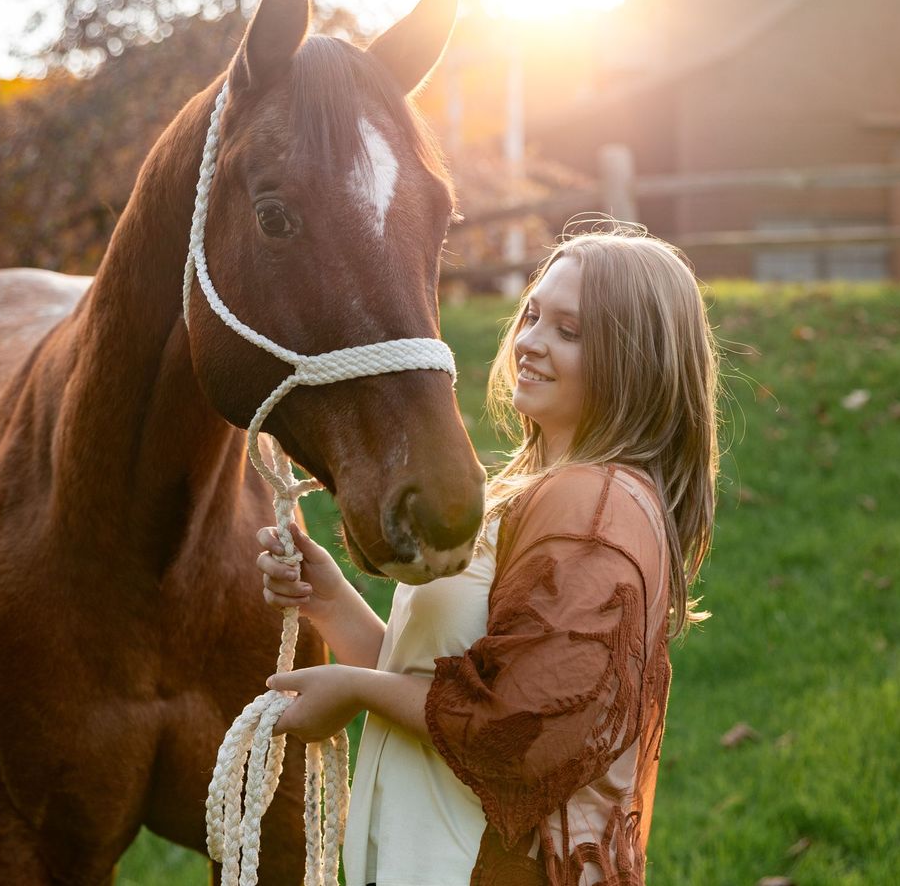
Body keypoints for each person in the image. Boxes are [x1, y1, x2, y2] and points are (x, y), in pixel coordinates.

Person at [257, 225, 721, 886]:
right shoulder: (544, 490)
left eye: (569, 330)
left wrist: (355, 691)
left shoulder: (593, 508)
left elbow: (522, 730)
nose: (530, 341)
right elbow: (449, 684)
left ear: (634, 357)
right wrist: (332, 604)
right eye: (533, 314)